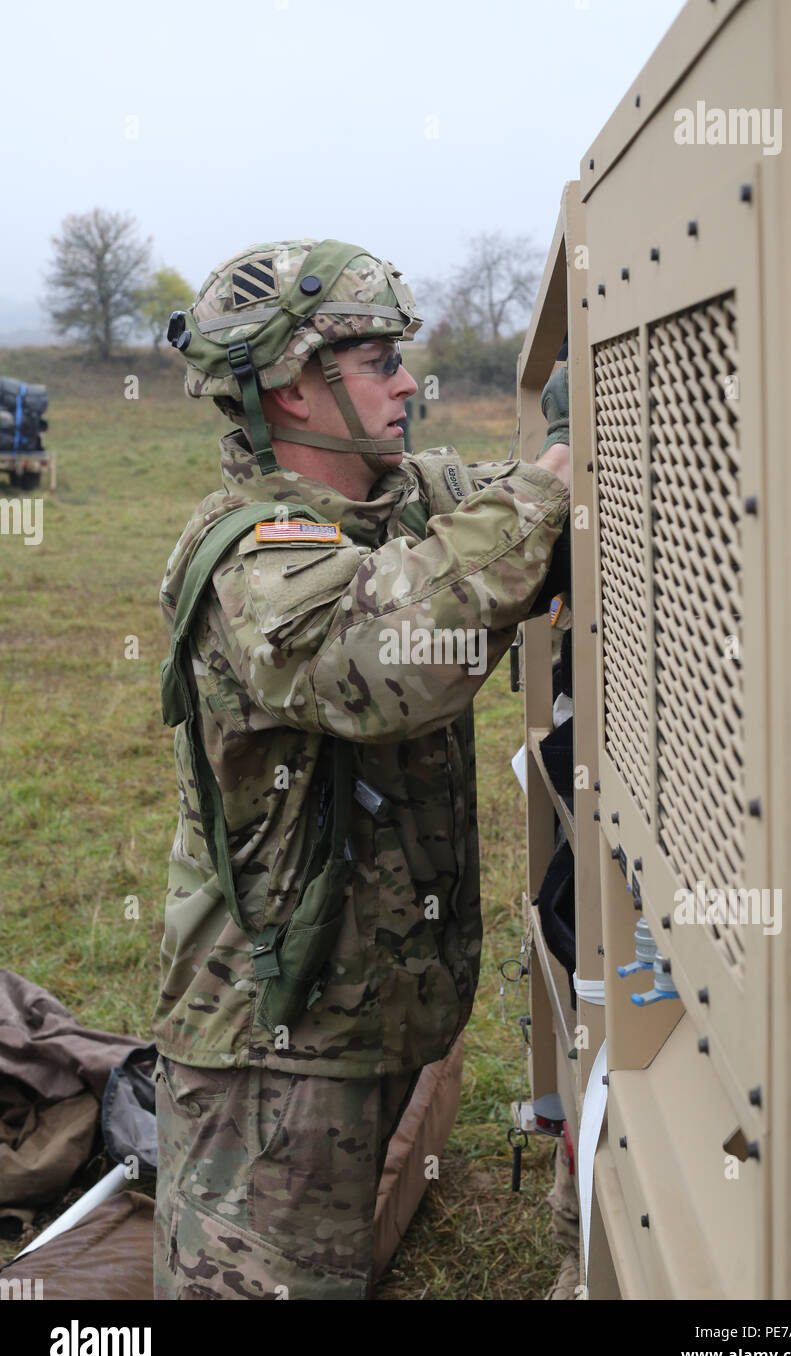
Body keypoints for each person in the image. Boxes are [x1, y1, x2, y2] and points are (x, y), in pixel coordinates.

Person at [153, 237, 571, 1300]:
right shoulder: (250, 558)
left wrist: (588, 435)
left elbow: (495, 514)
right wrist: (538, 497)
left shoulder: (398, 496)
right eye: (374, 358)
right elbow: (379, 661)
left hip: (360, 1010)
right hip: (269, 1048)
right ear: (290, 388)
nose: (403, 382)